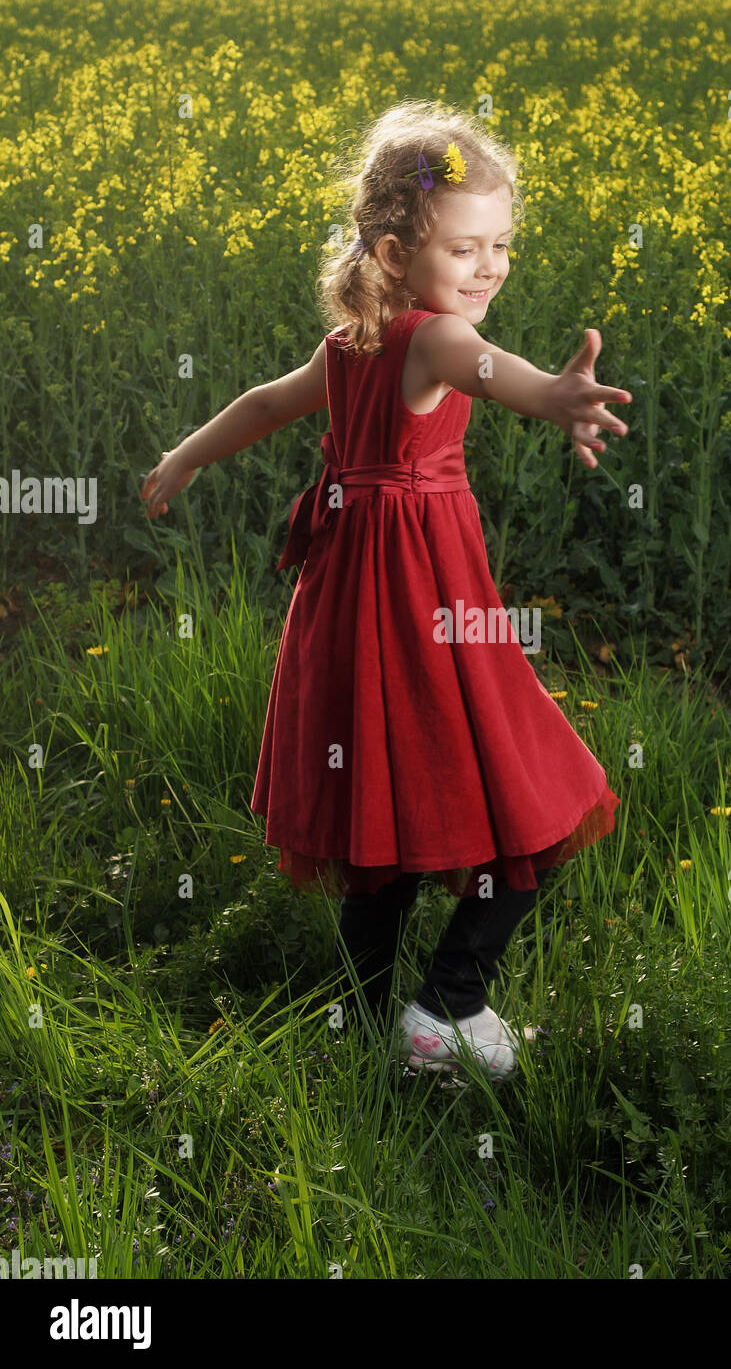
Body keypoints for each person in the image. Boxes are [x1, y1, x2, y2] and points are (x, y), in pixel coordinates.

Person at [141, 99, 630, 1082]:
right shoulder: (429, 339)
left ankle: (369, 1020)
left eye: (502, 245)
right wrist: (557, 396)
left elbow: (265, 404)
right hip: (427, 599)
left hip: (350, 599)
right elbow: (496, 372)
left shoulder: (351, 345)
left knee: (381, 792)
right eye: (464, 248)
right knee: (536, 783)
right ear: (394, 250)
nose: (489, 267)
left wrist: (182, 458)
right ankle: (447, 1004)